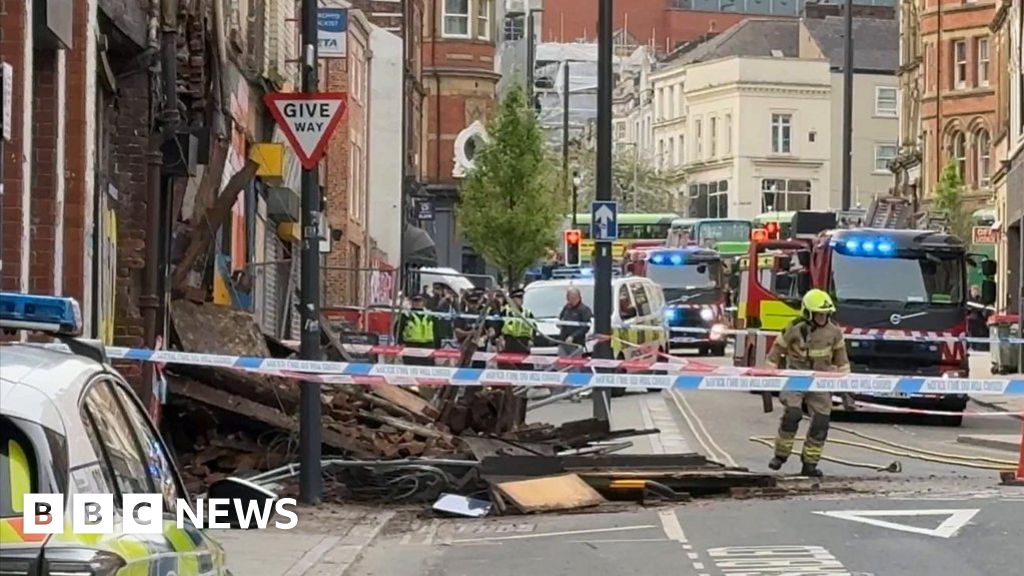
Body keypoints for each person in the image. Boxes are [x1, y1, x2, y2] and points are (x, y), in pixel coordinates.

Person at [765, 289, 850, 477]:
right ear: (808, 313)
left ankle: (810, 463)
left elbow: (842, 361)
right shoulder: (794, 327)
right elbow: (776, 350)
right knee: (793, 414)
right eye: (819, 314)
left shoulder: (834, 332)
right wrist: (769, 373)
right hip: (795, 377)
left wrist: (846, 386)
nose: (823, 318)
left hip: (821, 381)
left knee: (821, 422)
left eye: (826, 314)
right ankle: (780, 455)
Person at [396, 293, 439, 365]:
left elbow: (436, 331)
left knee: (427, 369)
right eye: (415, 300)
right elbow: (398, 330)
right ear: (411, 302)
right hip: (411, 345)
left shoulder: (430, 315)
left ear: (423, 302)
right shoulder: (406, 315)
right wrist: (400, 343)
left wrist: (437, 346)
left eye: (420, 300)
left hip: (428, 345)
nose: (417, 303)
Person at [454, 289, 489, 369]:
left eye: (475, 303)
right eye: (471, 303)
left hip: (480, 349)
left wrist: (484, 337)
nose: (473, 305)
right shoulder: (462, 316)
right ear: (467, 303)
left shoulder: (483, 316)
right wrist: (470, 333)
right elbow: (457, 332)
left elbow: (489, 331)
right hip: (466, 348)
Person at [501, 289, 537, 360]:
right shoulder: (506, 311)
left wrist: (531, 340)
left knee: (525, 367)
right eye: (519, 298)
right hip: (509, 343)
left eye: (522, 298)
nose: (521, 300)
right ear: (512, 299)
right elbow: (498, 325)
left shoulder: (527, 313)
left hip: (524, 344)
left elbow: (534, 327)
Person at [558, 287, 593, 358]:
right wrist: (559, 324)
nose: (570, 300)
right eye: (569, 298)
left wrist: (573, 336)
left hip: (576, 344)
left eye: (572, 298)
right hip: (563, 342)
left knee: (575, 365)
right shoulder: (566, 308)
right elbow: (561, 318)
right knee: (562, 363)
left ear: (578, 297)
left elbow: (585, 327)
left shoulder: (584, 310)